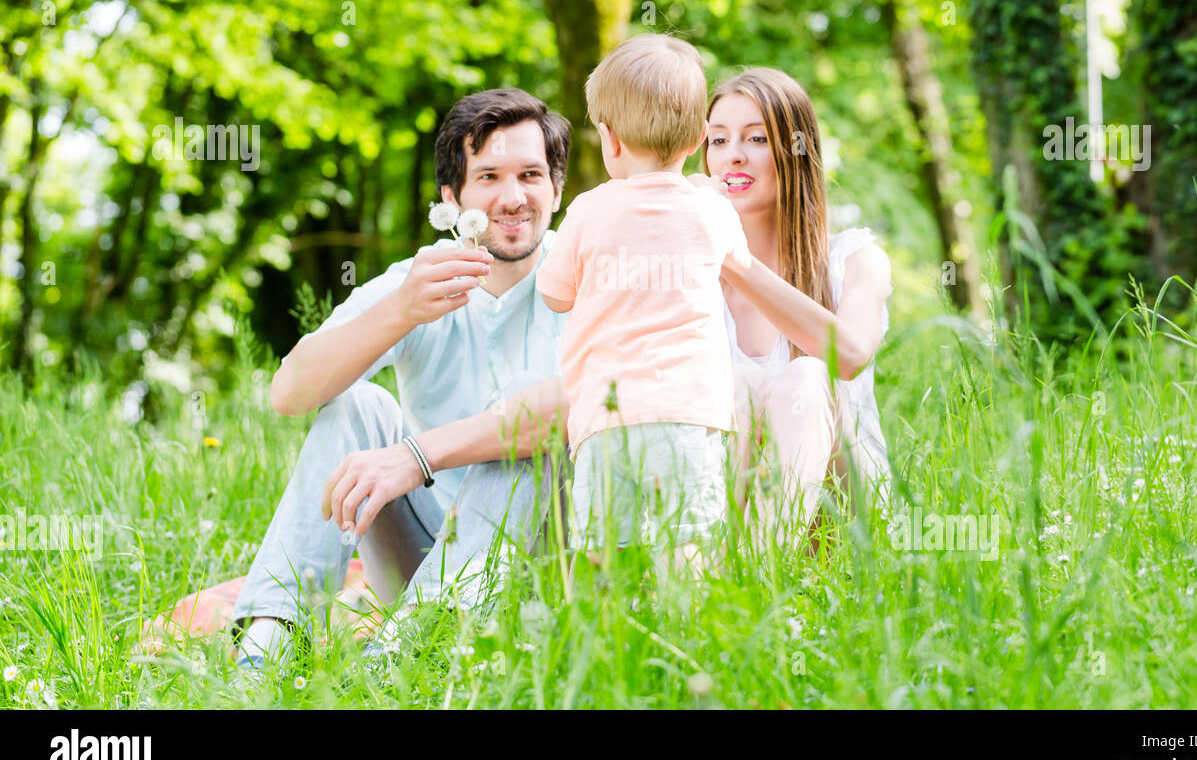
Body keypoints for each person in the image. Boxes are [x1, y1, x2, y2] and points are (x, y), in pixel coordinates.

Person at [231, 88, 572, 666]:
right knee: (355, 405)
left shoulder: (588, 272)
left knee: (525, 414)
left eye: (531, 175)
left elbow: (579, 405)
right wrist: (400, 312)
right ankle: (265, 652)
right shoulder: (420, 280)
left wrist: (416, 456)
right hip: (424, 567)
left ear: (557, 189)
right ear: (452, 197)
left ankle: (397, 667)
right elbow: (289, 394)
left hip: (552, 572)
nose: (513, 198)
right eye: (488, 177)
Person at [535, 35, 751, 557]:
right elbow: (736, 274)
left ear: (609, 139)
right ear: (701, 139)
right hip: (688, 413)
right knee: (689, 549)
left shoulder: (587, 211)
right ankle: (689, 633)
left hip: (604, 420)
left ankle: (609, 637)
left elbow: (554, 295)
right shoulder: (713, 211)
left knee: (603, 555)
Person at [702, 68, 892, 544]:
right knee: (738, 388)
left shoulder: (854, 260)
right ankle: (740, 585)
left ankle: (759, 580)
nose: (733, 156)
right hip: (729, 526)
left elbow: (847, 355)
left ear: (795, 150)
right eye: (718, 141)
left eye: (757, 138)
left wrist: (732, 259)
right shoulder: (694, 277)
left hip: (843, 523)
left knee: (807, 376)